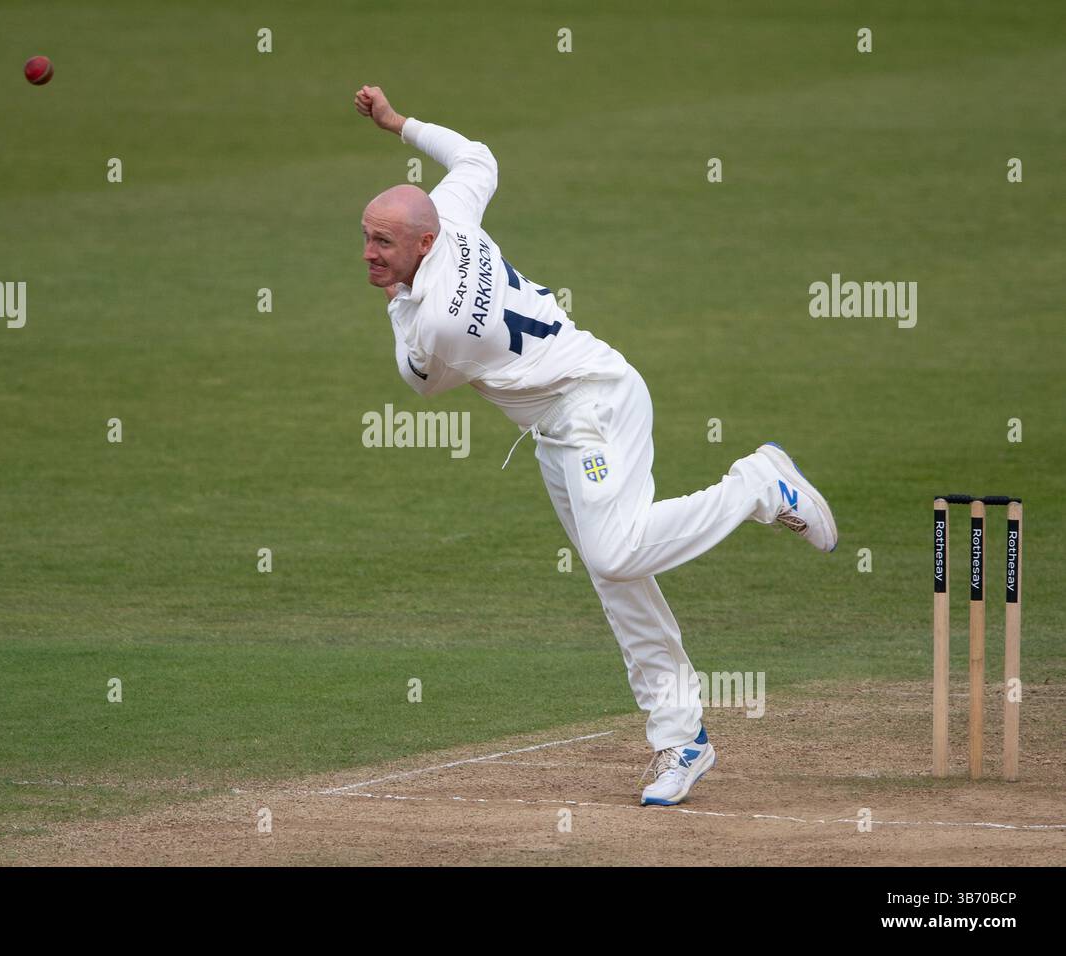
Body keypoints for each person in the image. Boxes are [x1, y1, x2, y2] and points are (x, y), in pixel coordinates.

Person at [355, 85, 837, 806]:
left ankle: (759, 486)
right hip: (556, 428)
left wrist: (398, 297)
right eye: (365, 236)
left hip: (594, 405)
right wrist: (402, 124)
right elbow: (476, 157)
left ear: (424, 243)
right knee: (619, 583)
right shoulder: (449, 217)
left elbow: (421, 382)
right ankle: (683, 739)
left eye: (383, 243)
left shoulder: (439, 326)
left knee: (615, 553)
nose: (369, 253)